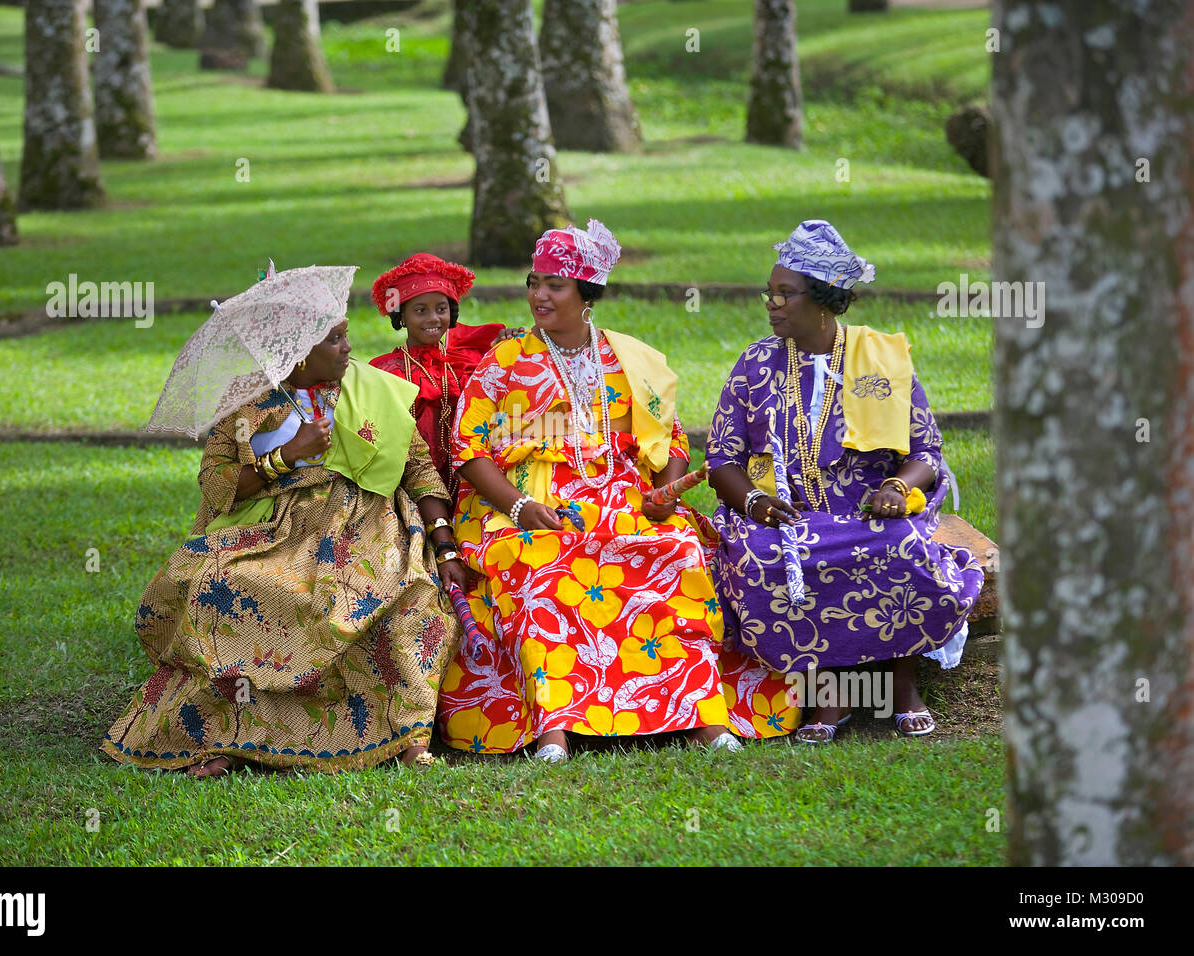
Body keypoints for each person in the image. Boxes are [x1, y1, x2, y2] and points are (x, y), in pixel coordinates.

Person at [102, 296, 468, 777]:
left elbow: (419, 469)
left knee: (412, 596)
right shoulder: (249, 401)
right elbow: (216, 486)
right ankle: (227, 738)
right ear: (297, 353)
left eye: (345, 334)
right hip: (278, 526)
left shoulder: (372, 388)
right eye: (334, 339)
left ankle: (408, 734)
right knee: (218, 588)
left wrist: (443, 542)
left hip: (369, 521)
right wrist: (287, 455)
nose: (348, 347)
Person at [436, 218, 752, 762]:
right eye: (533, 282)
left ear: (587, 293)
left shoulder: (629, 360)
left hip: (622, 497)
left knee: (676, 550)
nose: (538, 295)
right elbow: (468, 451)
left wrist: (668, 492)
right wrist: (519, 506)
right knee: (540, 566)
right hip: (525, 504)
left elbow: (669, 439)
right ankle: (554, 726)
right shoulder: (506, 361)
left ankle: (702, 713)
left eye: (554, 285)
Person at [706, 219, 985, 743]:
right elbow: (722, 457)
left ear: (823, 299)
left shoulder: (880, 359)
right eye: (770, 291)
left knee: (899, 545)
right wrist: (755, 503)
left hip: (867, 509)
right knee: (769, 557)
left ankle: (902, 686)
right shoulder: (756, 364)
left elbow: (926, 451)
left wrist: (897, 489)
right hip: (783, 510)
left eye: (785, 294)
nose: (772, 302)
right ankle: (830, 698)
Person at [369, 253, 523, 496]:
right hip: (413, 487)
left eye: (441, 309)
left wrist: (508, 346)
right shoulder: (389, 372)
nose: (433, 318)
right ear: (402, 317)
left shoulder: (469, 361)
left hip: (470, 481)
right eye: (420, 310)